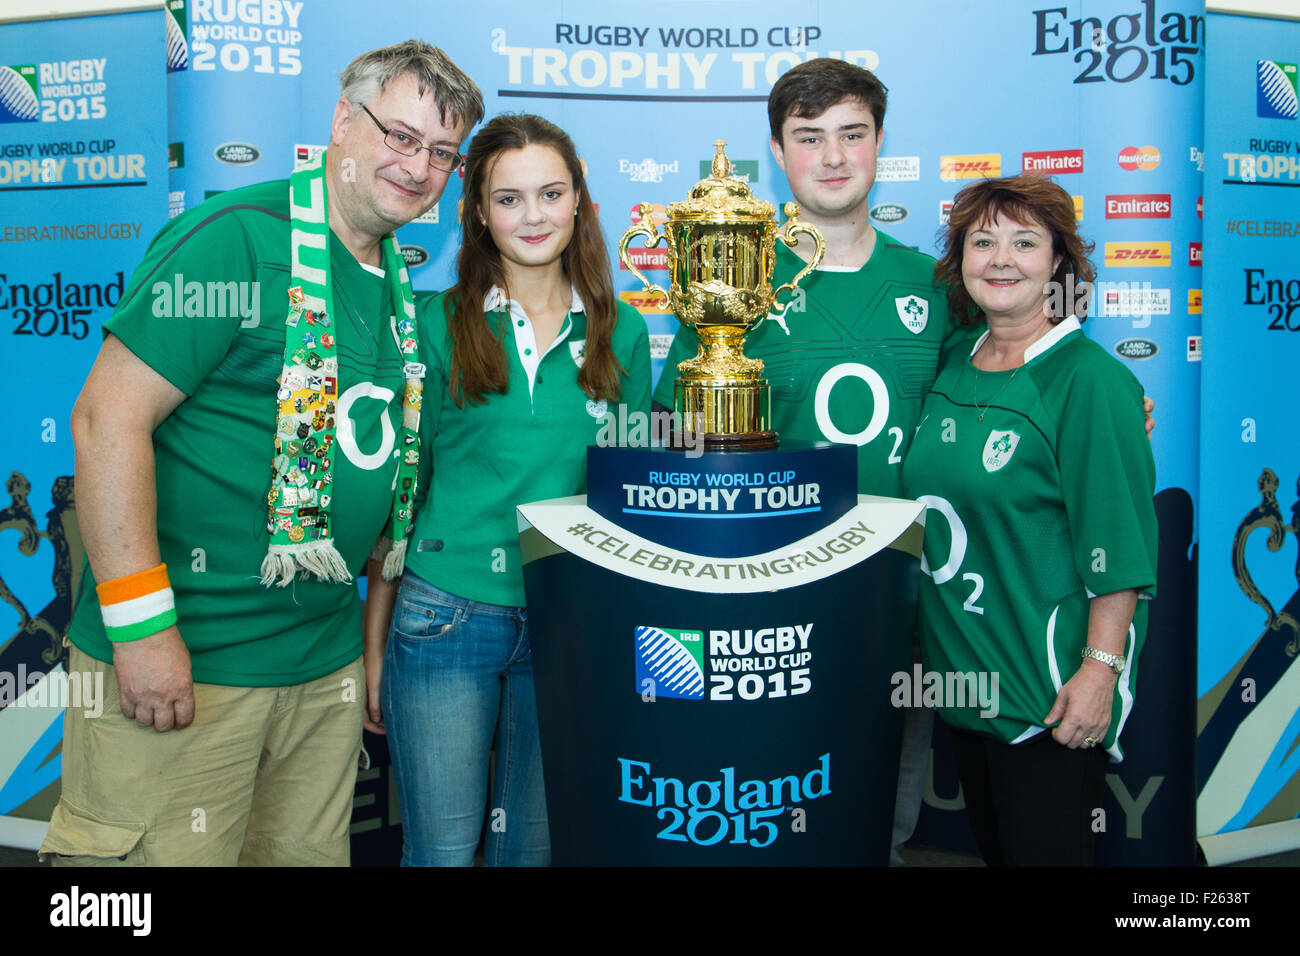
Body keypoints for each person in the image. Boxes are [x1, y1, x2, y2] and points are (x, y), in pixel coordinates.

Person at [40, 40, 483, 867]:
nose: (419, 167)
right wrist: (141, 631)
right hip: (187, 667)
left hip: (319, 672)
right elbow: (106, 422)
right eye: (400, 135)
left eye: (441, 153)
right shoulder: (235, 241)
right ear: (343, 121)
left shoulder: (393, 281)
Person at [363, 114, 652, 866]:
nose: (533, 216)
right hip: (445, 616)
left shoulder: (622, 335)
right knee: (444, 851)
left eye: (551, 193)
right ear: (480, 214)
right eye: (509, 198)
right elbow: (399, 499)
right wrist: (373, 652)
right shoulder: (432, 323)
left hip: (569, 621)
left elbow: (627, 502)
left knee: (532, 850)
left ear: (579, 200)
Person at [900, 175, 1158, 866]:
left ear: (1059, 263)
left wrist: (1099, 672)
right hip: (964, 686)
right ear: (961, 262)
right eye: (982, 242)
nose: (1001, 259)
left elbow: (1121, 544)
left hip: (1047, 696)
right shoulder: (958, 359)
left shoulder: (1091, 380)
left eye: (1024, 241)